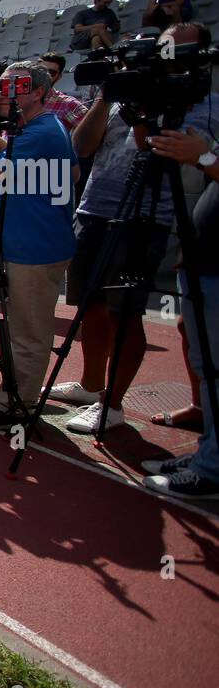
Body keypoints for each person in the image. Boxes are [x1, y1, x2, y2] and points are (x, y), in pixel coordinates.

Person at [54, 23, 218, 434]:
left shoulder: (205, 103)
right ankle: (91, 386)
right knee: (88, 305)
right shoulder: (118, 98)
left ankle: (112, 404)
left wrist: (146, 111)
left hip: (147, 218)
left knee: (124, 312)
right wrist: (107, 96)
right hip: (94, 211)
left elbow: (152, 147)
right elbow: (82, 146)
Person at [0, 61, 79, 419]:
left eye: (17, 86)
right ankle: (11, 394)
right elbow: (69, 171)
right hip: (27, 243)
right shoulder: (39, 127)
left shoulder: (41, 131)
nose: (5, 92)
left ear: (40, 91)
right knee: (17, 328)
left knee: (28, 331)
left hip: (34, 248)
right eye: (3, 85)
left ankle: (19, 405)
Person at [141, 124, 219, 498]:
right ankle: (209, 454)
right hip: (206, 261)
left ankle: (212, 471)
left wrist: (203, 156)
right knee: (206, 363)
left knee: (217, 367)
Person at [37, 53, 88, 134]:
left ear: (59, 77)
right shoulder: (20, 98)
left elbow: (91, 133)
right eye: (41, 70)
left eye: (51, 72)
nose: (45, 76)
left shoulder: (68, 104)